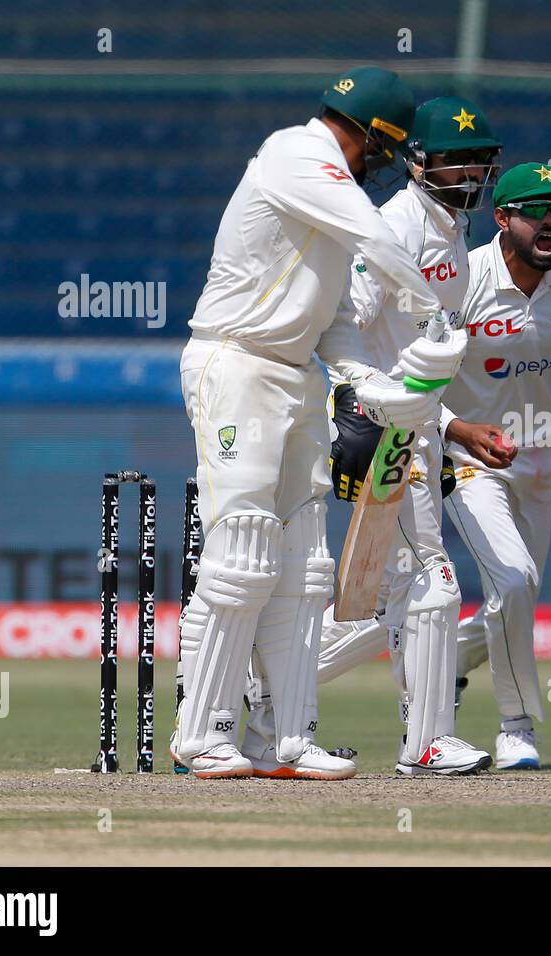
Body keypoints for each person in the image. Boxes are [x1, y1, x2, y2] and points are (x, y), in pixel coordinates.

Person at [173, 66, 466, 780]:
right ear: (370, 135)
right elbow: (374, 235)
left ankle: (287, 738)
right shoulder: (295, 157)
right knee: (242, 551)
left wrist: (370, 382)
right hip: (236, 363)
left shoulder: (332, 207)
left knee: (306, 565)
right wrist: (431, 310)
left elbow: (335, 318)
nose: (379, 171)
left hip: (297, 375)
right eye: (381, 154)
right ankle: (202, 736)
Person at [248, 96, 511, 776]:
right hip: (384, 428)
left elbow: (418, 350)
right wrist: (355, 408)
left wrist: (446, 428)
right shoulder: (396, 227)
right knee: (432, 577)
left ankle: (266, 688)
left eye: (480, 162)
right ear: (418, 163)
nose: (472, 175)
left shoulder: (450, 231)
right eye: (457, 163)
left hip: (416, 429)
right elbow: (348, 327)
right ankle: (425, 743)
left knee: (385, 604)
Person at [446, 162, 551, 770]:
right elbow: (418, 372)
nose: (549, 221)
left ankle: (446, 664)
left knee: (516, 595)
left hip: (538, 458)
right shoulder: (465, 278)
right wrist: (457, 431)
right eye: (535, 211)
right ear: (501, 219)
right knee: (512, 582)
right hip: (467, 457)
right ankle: (516, 727)